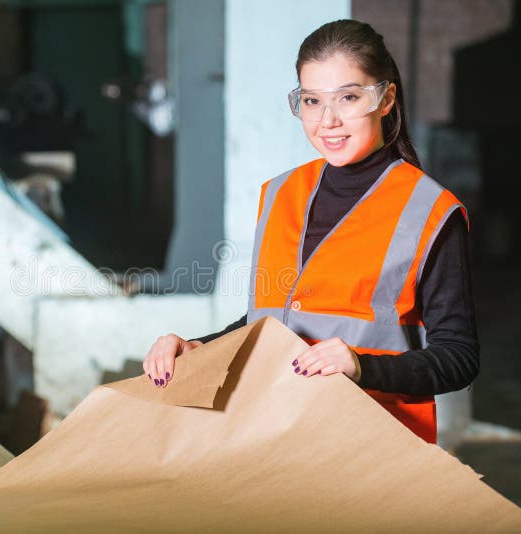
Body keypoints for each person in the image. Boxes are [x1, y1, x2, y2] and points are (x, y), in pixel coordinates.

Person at [142, 19, 479, 444]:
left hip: (376, 449)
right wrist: (198, 349)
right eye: (313, 101)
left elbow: (459, 357)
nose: (328, 120)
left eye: (349, 97)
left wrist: (363, 367)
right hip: (275, 434)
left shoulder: (429, 212)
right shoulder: (281, 193)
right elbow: (271, 320)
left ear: (386, 98)